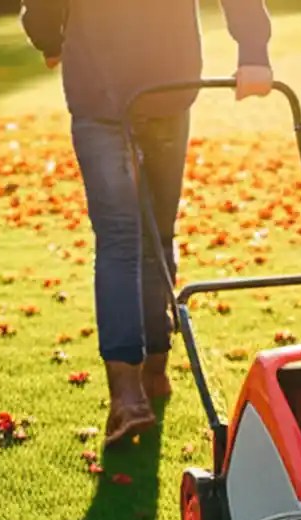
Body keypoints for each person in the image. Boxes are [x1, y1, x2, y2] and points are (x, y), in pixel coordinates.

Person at [20, 0, 274, 447]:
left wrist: (48, 39)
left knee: (121, 241)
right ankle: (154, 375)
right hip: (167, 86)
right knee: (157, 235)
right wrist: (253, 51)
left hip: (105, 92)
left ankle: (129, 398)